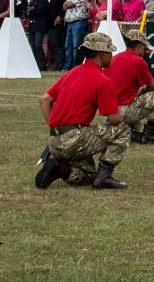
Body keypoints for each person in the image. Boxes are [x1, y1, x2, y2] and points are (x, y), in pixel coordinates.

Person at [34, 30, 129, 190]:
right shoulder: (102, 80)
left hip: (54, 142)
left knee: (88, 176)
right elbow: (114, 120)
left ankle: (62, 169)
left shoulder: (72, 72)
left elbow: (44, 100)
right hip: (74, 139)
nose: (112, 55)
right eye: (109, 51)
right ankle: (104, 178)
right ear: (102, 54)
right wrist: (121, 115)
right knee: (122, 129)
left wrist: (55, 127)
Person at [110, 25, 154, 145]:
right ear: (140, 46)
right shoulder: (138, 61)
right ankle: (149, 135)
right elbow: (152, 87)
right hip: (124, 111)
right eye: (144, 48)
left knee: (135, 125)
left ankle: (132, 133)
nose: (145, 51)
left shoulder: (114, 58)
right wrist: (141, 91)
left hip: (111, 112)